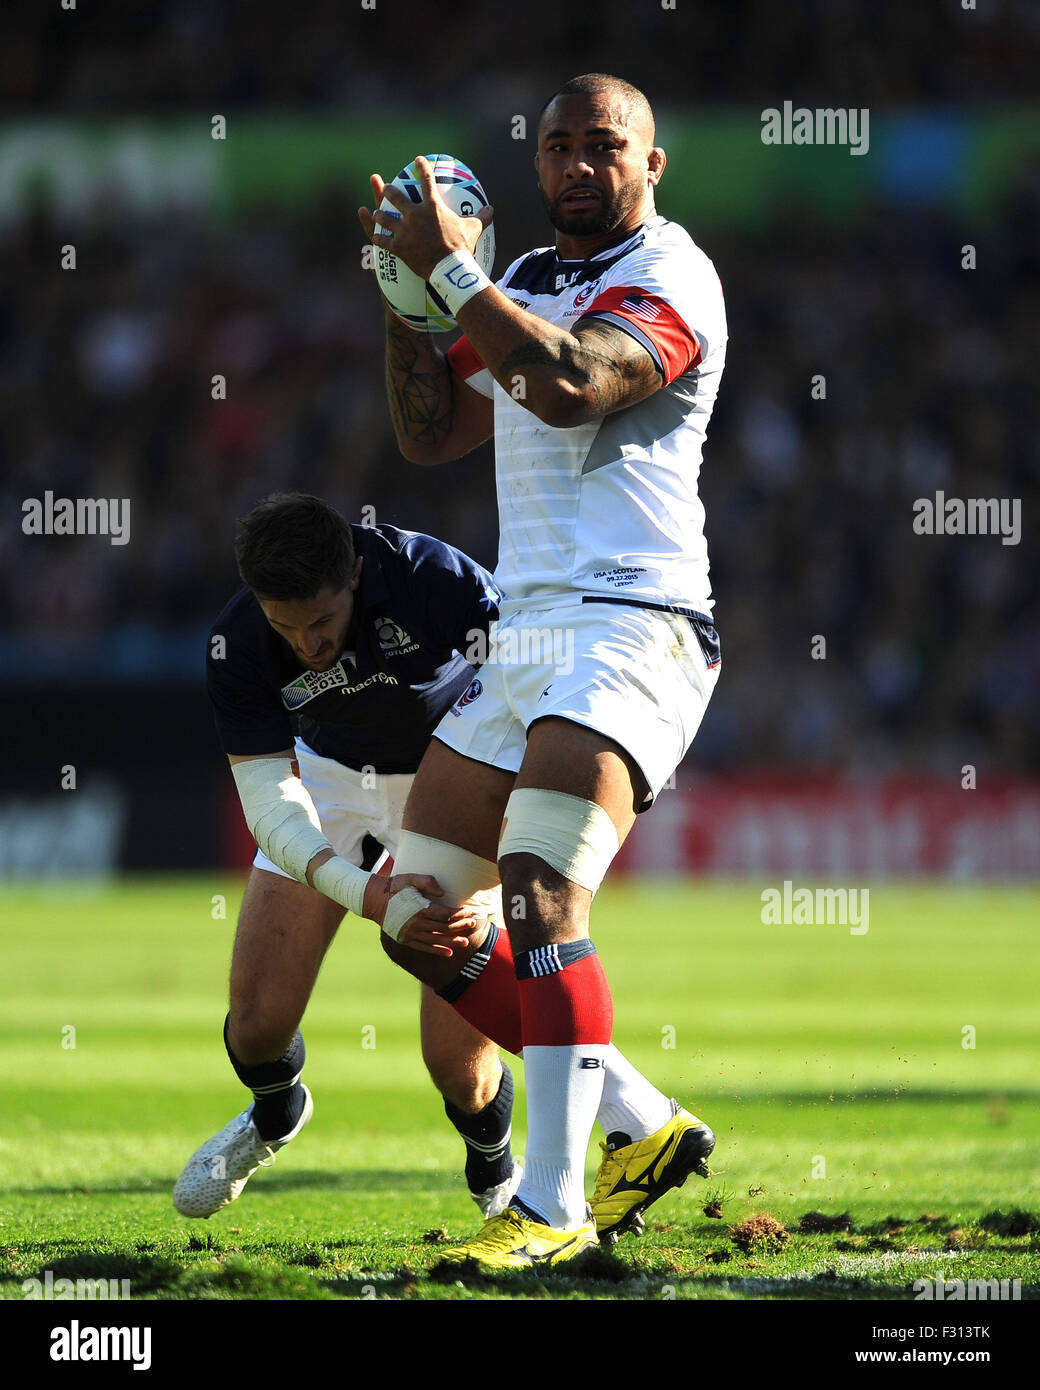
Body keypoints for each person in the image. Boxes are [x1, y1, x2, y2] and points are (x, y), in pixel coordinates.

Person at [357, 72, 726, 1267]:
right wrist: (405, 296)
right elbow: (429, 434)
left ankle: (552, 1209)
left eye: (602, 146)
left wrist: (454, 272)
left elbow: (572, 387)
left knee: (539, 892)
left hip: (633, 621)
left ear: (649, 164)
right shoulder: (518, 285)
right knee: (416, 919)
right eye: (558, 146)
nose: (577, 164)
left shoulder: (669, 276)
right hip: (523, 633)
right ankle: (636, 1121)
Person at [173, 492, 520, 1220]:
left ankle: (493, 1167)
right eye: (284, 626)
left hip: (452, 771)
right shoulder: (237, 641)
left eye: (322, 622)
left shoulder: (431, 576)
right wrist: (365, 895)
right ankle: (275, 1114)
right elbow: (270, 802)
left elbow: (526, 685)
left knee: (457, 1069)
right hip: (327, 780)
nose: (307, 645)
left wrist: (497, 822)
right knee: (258, 1025)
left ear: (356, 574)